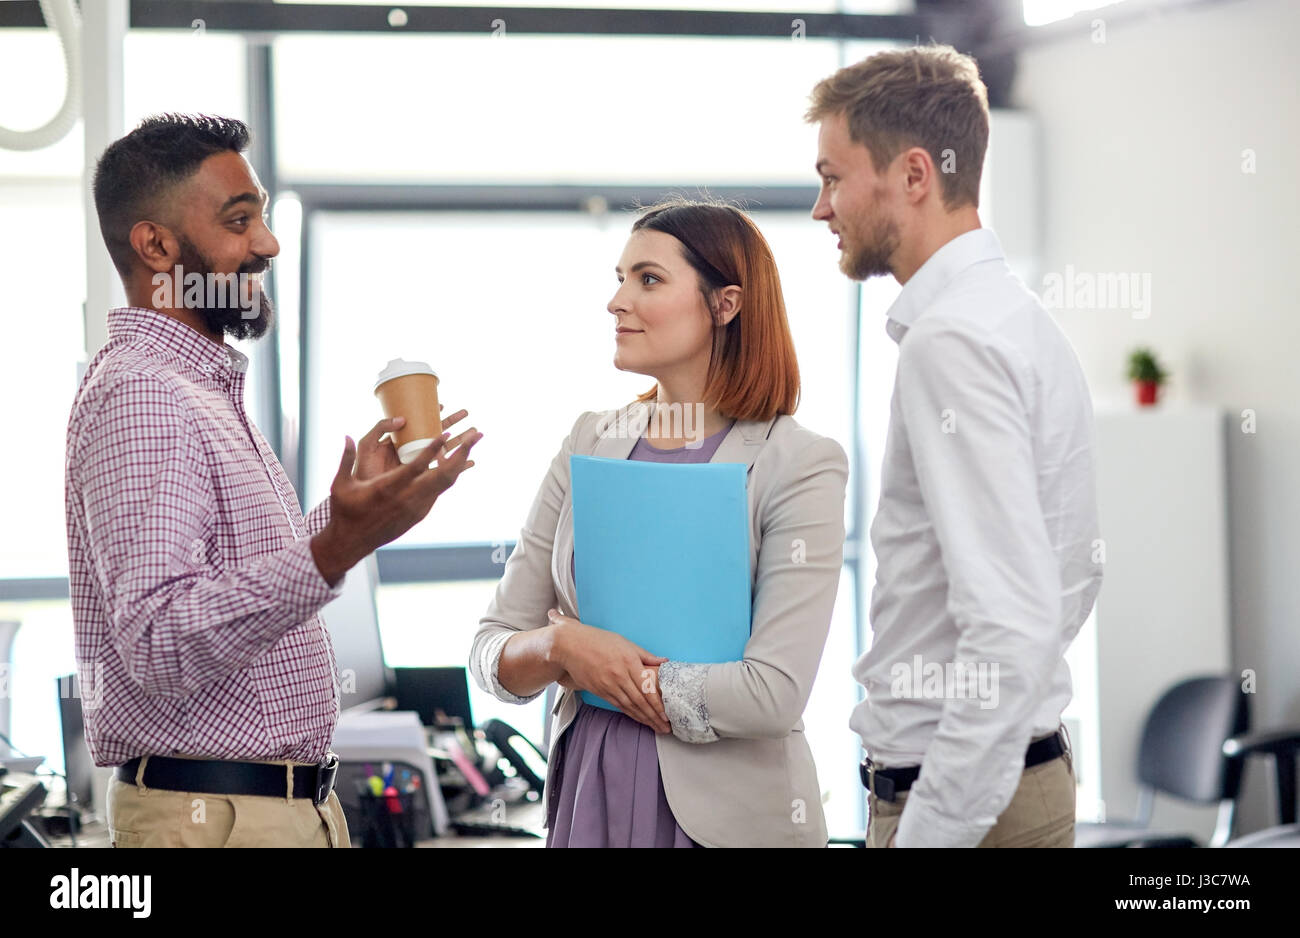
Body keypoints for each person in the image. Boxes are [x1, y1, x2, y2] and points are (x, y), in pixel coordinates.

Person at [68, 113, 482, 847]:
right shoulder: (144, 392)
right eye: (239, 220)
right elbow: (159, 640)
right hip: (216, 819)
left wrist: (351, 516)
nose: (267, 243)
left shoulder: (198, 388)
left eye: (260, 214)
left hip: (272, 811)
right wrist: (334, 550)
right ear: (156, 245)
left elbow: (237, 585)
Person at [468, 200, 849, 847]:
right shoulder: (590, 440)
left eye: (647, 279)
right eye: (620, 278)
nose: (617, 301)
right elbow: (491, 648)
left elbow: (773, 693)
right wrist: (561, 648)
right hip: (590, 797)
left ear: (725, 304)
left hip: (728, 821)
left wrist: (608, 672)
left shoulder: (800, 462)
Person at [806, 46, 1102, 848]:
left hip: (961, 802)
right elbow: (1072, 575)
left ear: (912, 175)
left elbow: (1016, 623)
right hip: (1010, 781)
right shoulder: (1017, 321)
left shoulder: (953, 342)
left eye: (832, 177)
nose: (820, 208)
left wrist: (931, 830)